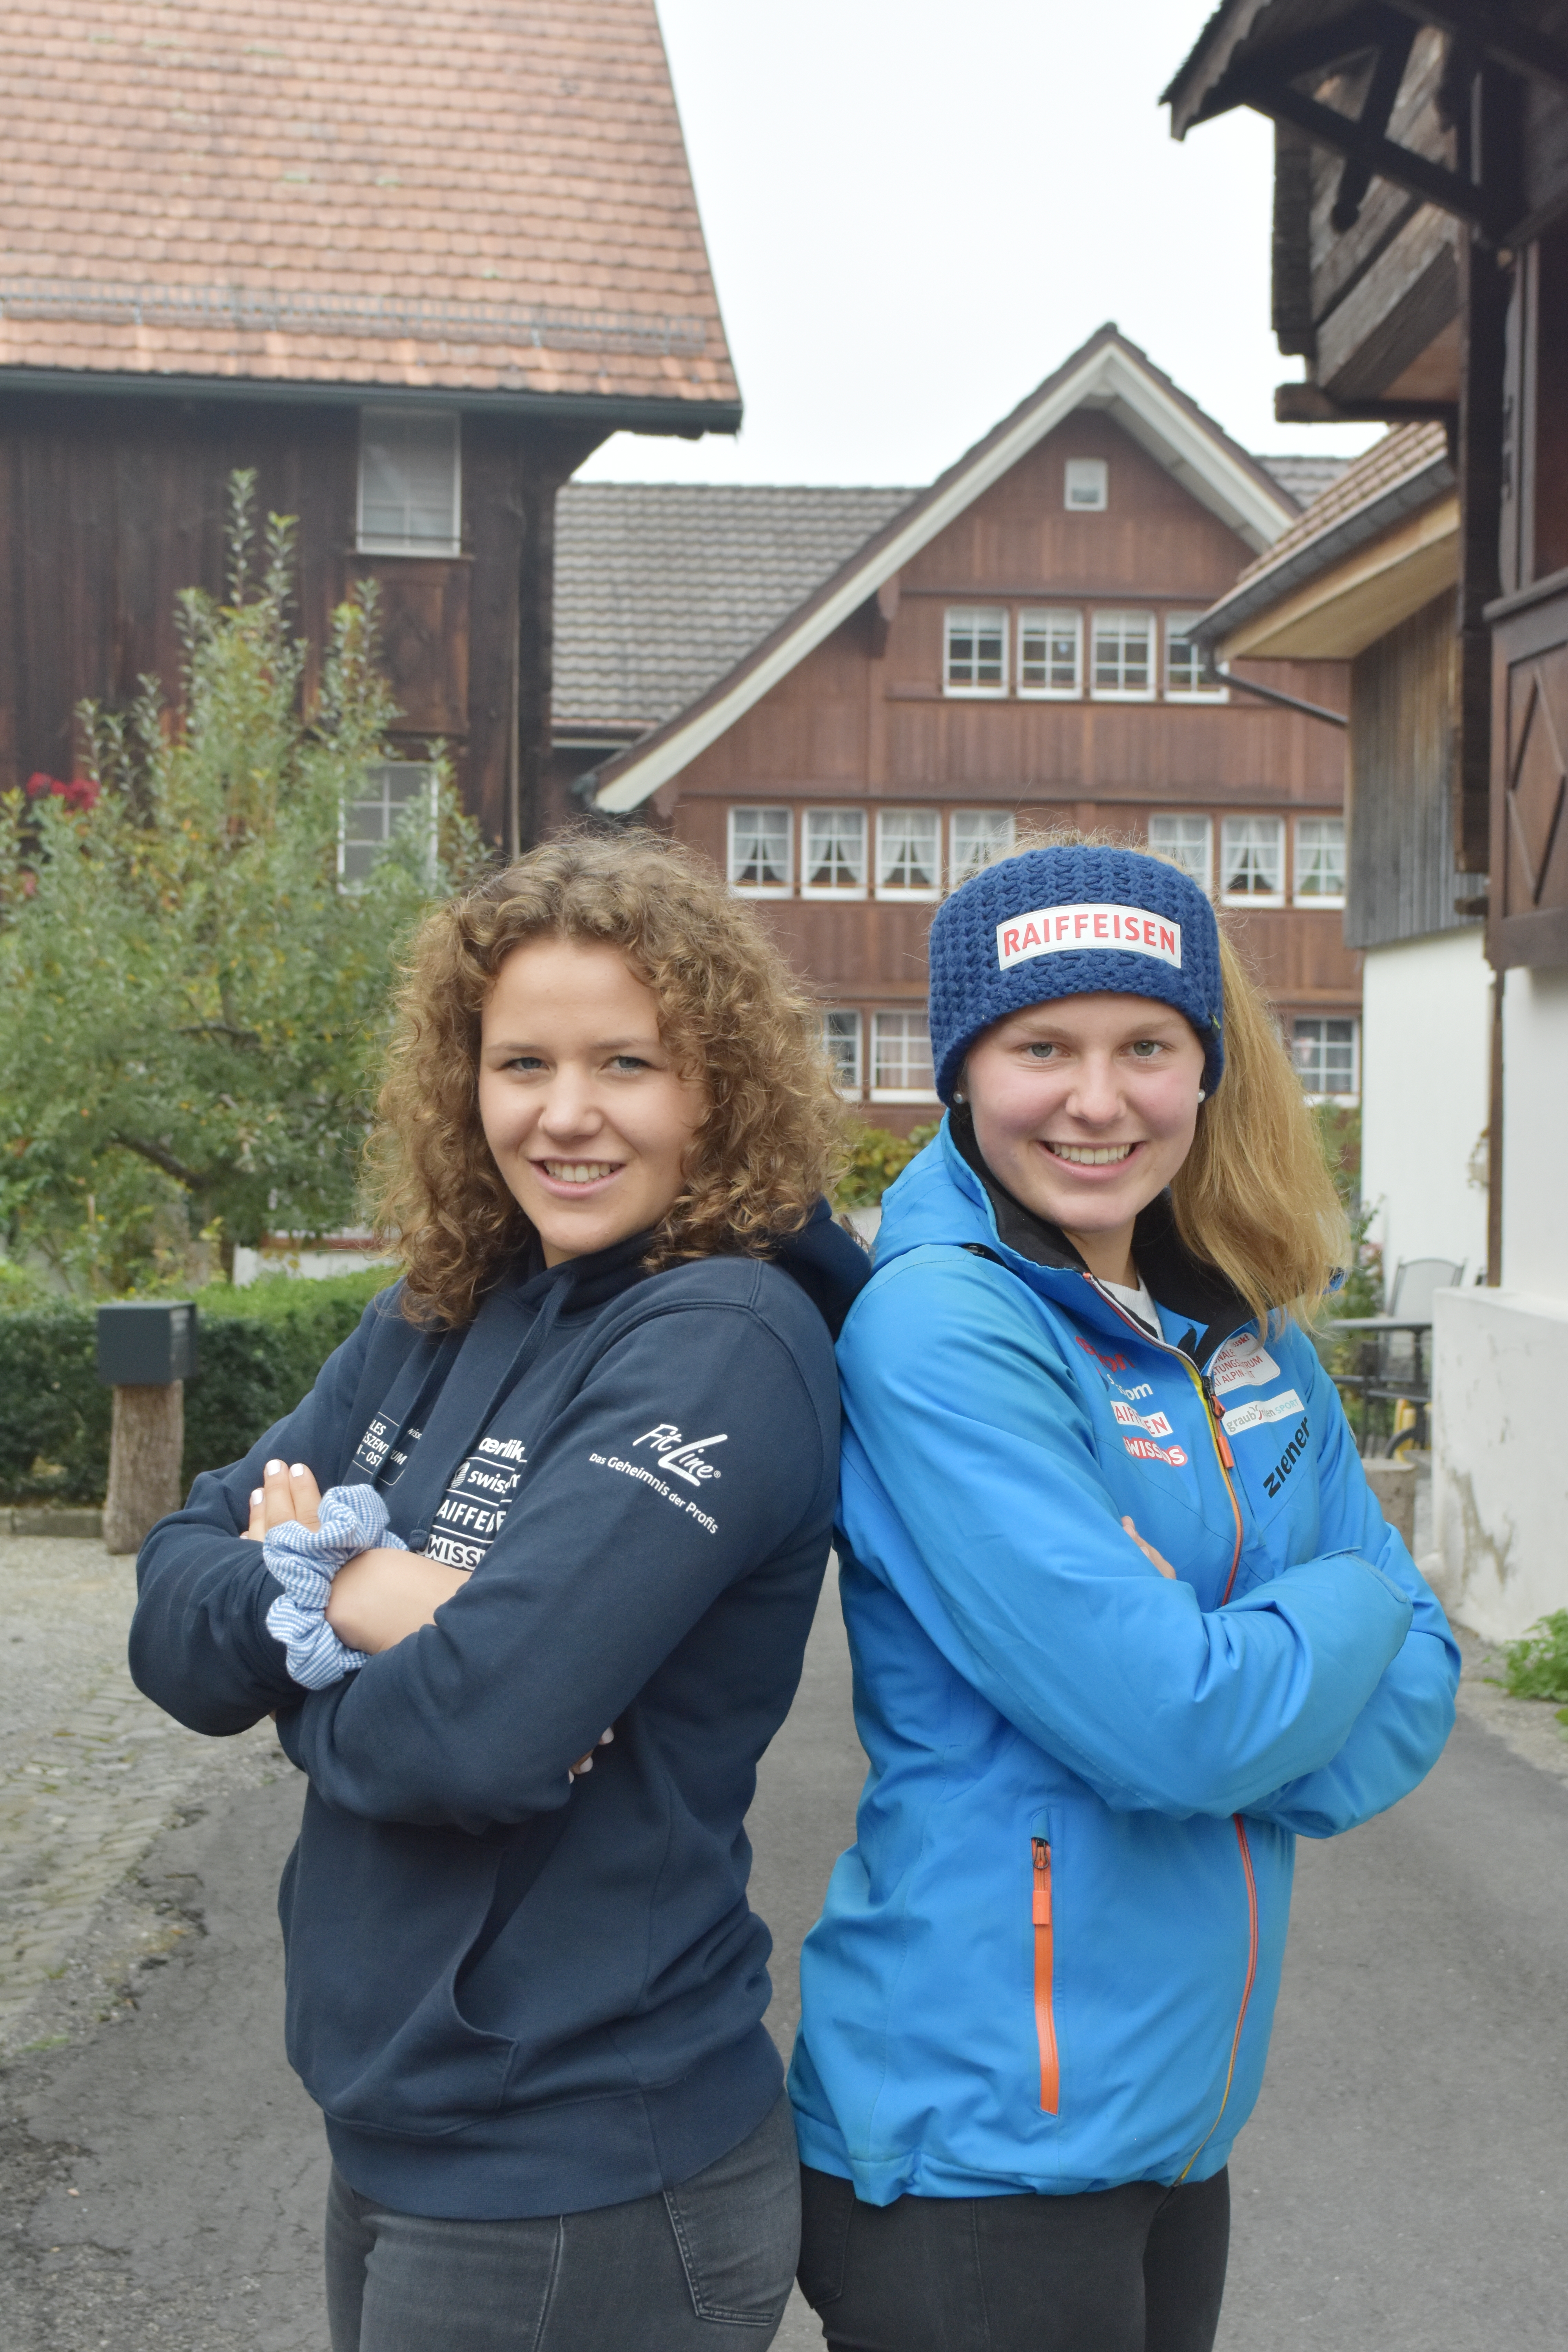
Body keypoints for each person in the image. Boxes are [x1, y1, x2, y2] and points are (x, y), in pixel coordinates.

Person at [129, 829, 868, 2352]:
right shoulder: (439, 1313)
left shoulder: (727, 1339)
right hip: (401, 2128)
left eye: (627, 1064)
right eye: (521, 1062)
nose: (567, 1114)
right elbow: (170, 1623)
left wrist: (312, 1605)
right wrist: (366, 1602)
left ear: (714, 1087)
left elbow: (479, 1734)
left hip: (585, 2164)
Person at [790, 840, 1457, 2352]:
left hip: (1178, 2121)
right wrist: (1347, 1599)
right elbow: (1192, 1729)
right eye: (1044, 1049)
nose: (1100, 1101)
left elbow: (1410, 1706)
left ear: (1204, 1072)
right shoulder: (944, 1325)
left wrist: (1239, 1688)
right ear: (963, 1071)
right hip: (979, 2143)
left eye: (1147, 1047)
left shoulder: (1239, 1327)